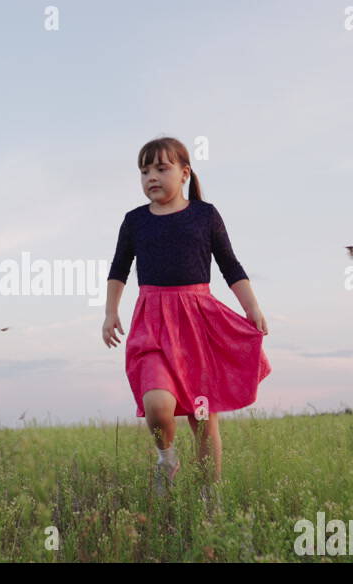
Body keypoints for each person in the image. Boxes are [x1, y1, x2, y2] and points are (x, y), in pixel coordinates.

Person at [102, 136, 271, 498]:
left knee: (203, 421)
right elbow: (119, 268)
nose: (151, 177)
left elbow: (230, 265)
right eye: (144, 170)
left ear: (184, 173)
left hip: (198, 324)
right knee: (156, 406)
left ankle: (211, 495)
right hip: (152, 322)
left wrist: (252, 307)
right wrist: (110, 312)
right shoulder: (134, 221)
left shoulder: (204, 215)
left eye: (161, 169)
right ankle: (167, 459)